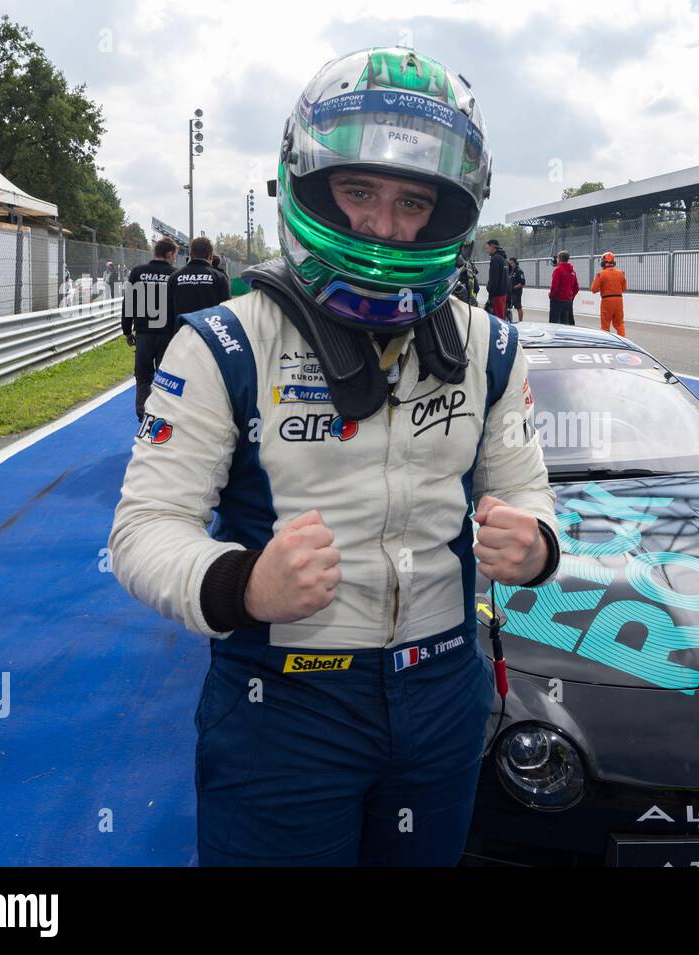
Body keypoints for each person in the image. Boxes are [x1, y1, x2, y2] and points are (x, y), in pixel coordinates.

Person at [108, 45, 559, 867]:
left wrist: (535, 544)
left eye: (413, 201)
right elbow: (142, 531)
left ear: (450, 209)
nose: (384, 228)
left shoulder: (492, 346)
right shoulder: (220, 345)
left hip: (444, 690)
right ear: (311, 188)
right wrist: (244, 583)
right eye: (359, 192)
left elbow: (530, 492)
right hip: (282, 704)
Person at [122, 237, 179, 422]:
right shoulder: (175, 274)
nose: (174, 259)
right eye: (174, 255)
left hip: (144, 334)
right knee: (167, 378)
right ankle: (165, 416)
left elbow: (128, 302)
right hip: (167, 336)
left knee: (143, 378)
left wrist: (126, 330)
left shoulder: (138, 272)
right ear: (169, 254)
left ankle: (143, 414)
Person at [165, 236, 230, 335]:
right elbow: (226, 313)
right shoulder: (219, 278)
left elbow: (168, 312)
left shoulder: (175, 277)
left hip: (181, 337)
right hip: (209, 337)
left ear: (191, 254)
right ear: (210, 256)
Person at [590, 250, 627, 336]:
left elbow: (594, 289)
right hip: (619, 300)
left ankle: (606, 342)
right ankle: (623, 340)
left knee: (605, 325)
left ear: (603, 262)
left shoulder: (601, 274)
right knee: (619, 323)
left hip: (607, 301)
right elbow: (624, 288)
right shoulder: (621, 273)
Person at [548, 249, 578, 325]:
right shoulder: (572, 271)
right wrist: (570, 297)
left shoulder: (558, 270)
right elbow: (576, 288)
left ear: (559, 258)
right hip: (568, 301)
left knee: (553, 324)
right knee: (565, 325)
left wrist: (551, 296)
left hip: (558, 300)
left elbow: (555, 286)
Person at [484, 238, 509, 320]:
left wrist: (490, 295)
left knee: (497, 320)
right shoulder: (504, 259)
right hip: (504, 294)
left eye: (488, 248)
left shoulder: (495, 259)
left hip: (497, 295)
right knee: (501, 317)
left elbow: (494, 279)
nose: (487, 250)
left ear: (492, 247)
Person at [506, 256, 525, 323]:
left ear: (515, 263)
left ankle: (521, 322)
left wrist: (514, 287)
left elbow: (522, 283)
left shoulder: (519, 271)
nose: (510, 264)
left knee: (518, 307)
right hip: (510, 293)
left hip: (517, 293)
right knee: (509, 308)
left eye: (512, 263)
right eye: (509, 263)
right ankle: (510, 321)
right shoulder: (510, 271)